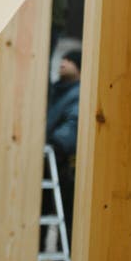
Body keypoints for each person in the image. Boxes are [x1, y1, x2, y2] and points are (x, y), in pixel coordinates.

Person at [46, 48, 81, 245]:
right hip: (51, 156)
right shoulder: (56, 90)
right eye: (63, 58)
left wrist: (56, 143)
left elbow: (74, 123)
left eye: (70, 60)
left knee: (66, 210)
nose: (63, 62)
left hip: (62, 160)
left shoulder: (78, 93)